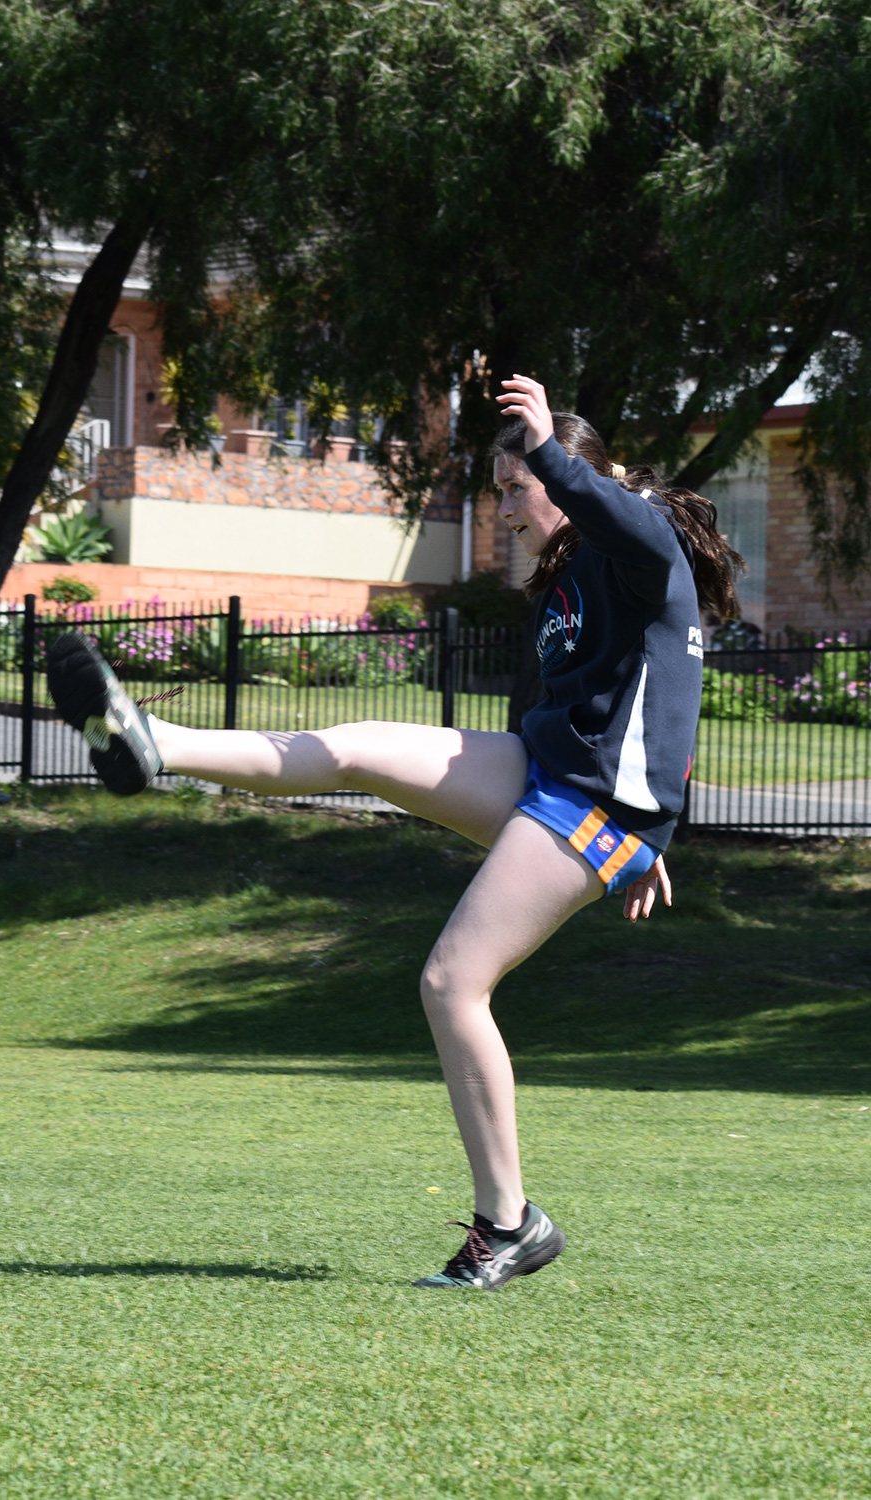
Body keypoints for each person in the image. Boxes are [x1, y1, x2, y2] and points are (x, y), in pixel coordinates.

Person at [46, 375, 741, 1291]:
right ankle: (153, 743)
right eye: (498, 490)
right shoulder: (574, 573)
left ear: (574, 475)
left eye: (517, 485)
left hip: (599, 807)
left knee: (454, 983)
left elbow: (619, 534)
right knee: (354, 747)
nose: (505, 508)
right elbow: (647, 710)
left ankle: (511, 1223)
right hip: (558, 777)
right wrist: (652, 844)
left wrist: (644, 835)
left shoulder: (638, 541)